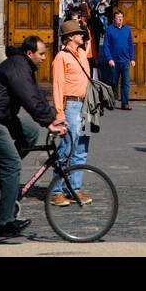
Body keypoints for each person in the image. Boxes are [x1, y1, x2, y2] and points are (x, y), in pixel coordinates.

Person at [0, 35, 68, 238]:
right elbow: (28, 98)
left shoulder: (24, 66)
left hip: (2, 115)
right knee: (13, 165)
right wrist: (48, 123)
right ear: (30, 53)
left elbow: (37, 94)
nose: (43, 58)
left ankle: (1, 173)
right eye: (41, 54)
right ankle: (6, 222)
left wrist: (53, 118)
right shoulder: (17, 68)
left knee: (31, 133)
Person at [50, 18, 93, 207]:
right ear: (70, 37)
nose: (82, 35)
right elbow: (57, 87)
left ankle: (74, 189)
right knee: (67, 148)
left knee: (82, 148)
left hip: (86, 106)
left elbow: (90, 36)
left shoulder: (82, 53)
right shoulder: (61, 58)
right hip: (71, 106)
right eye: (78, 33)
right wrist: (59, 113)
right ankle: (56, 190)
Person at [104, 9, 135, 109]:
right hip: (114, 61)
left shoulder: (127, 29)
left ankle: (125, 103)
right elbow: (106, 45)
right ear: (114, 19)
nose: (120, 19)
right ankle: (112, 102)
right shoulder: (109, 30)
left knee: (125, 83)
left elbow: (130, 44)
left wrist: (132, 58)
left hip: (125, 60)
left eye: (121, 17)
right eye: (118, 18)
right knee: (113, 82)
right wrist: (109, 59)